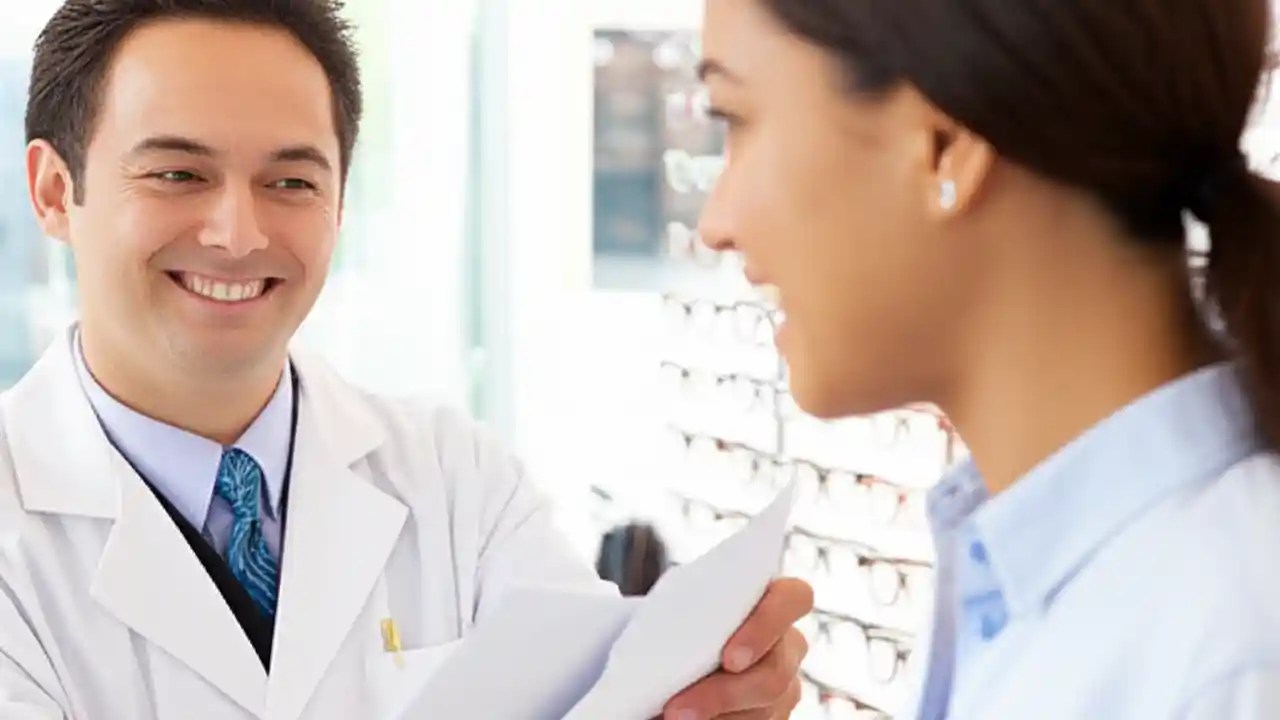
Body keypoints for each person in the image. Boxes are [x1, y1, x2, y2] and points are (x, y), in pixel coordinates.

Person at [0, 1, 814, 718]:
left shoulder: (457, 480)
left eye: (290, 182)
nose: (239, 235)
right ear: (50, 190)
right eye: (178, 173)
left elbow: (603, 694)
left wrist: (702, 700)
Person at [696, 0, 1280, 717]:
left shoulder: (1225, 657)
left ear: (943, 147)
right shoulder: (1051, 593)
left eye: (737, 119)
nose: (715, 224)